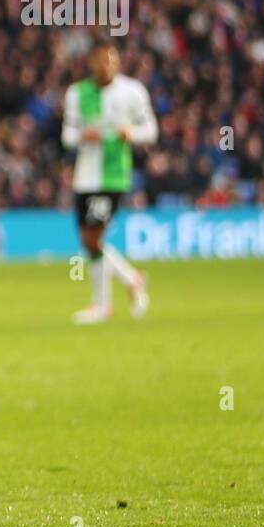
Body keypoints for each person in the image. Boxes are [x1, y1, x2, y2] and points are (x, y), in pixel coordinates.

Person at [61, 40, 157, 324]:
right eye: (101, 60)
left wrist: (133, 134)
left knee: (93, 238)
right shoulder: (77, 93)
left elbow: (151, 129)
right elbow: (66, 134)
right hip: (84, 177)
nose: (106, 66)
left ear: (118, 62)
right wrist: (81, 137)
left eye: (111, 60)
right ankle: (132, 280)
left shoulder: (133, 91)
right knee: (88, 242)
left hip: (113, 176)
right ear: (91, 62)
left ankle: (103, 305)